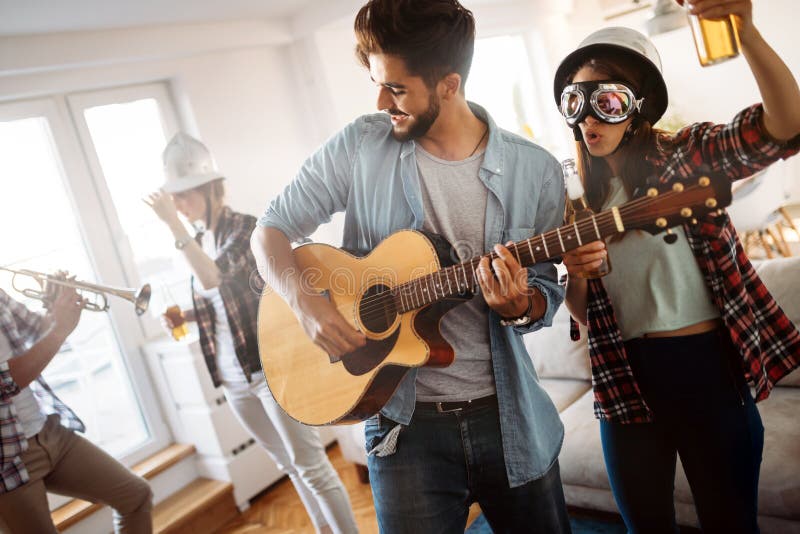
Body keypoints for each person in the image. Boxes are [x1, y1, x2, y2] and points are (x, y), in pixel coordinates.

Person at [251, 1, 573, 532]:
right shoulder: (361, 145)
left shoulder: (534, 170)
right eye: (377, 83)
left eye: (396, 89)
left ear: (449, 84)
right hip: (402, 426)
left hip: (510, 418)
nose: (381, 101)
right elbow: (271, 229)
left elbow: (545, 291)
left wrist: (521, 303)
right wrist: (305, 305)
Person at [554, 3, 800, 532]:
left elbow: (784, 126)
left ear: (638, 106)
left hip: (708, 372)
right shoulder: (574, 198)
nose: (589, 118)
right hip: (624, 381)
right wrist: (576, 272)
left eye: (607, 101)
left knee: (730, 524)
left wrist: (748, 33)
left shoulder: (687, 156)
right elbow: (584, 313)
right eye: (576, 100)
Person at [144, 132, 358, 534]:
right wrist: (186, 315)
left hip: (271, 371)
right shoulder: (202, 239)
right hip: (233, 377)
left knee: (311, 466)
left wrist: (174, 227)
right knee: (290, 466)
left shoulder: (245, 229)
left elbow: (212, 277)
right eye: (175, 198)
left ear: (209, 189)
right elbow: (223, 298)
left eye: (184, 195)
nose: (179, 205)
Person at [0, 282, 153, 533]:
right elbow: (5, 382)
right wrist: (59, 329)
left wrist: (57, 306)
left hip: (46, 432)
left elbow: (35, 330)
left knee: (136, 495)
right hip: (6, 459)